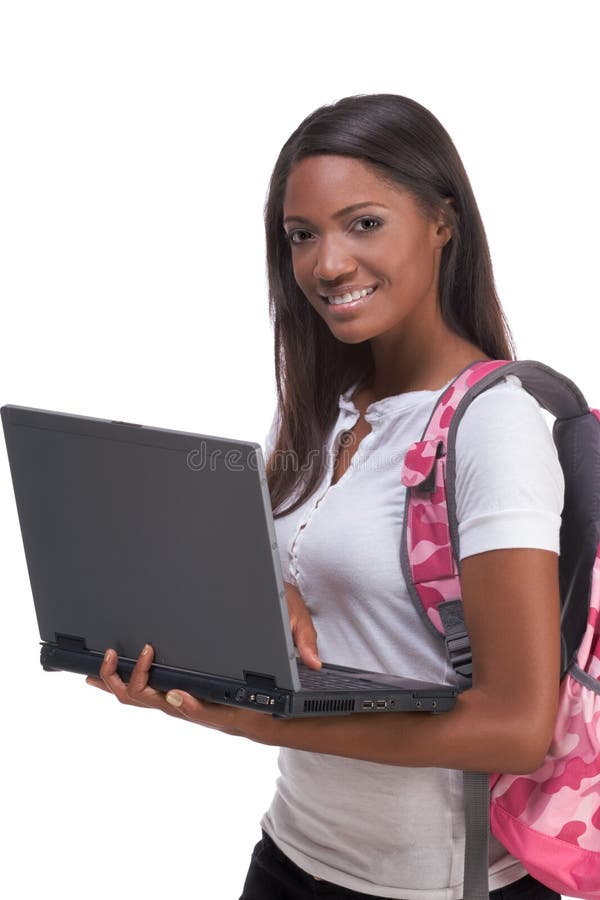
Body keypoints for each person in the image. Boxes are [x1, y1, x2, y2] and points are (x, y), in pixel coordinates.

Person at [86, 94, 565, 899]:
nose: (327, 263)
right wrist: (247, 616)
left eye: (364, 223)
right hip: (291, 850)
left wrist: (264, 718)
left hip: (430, 884)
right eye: (302, 236)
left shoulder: (494, 425)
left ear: (443, 222)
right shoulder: (321, 407)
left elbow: (516, 728)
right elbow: (322, 579)